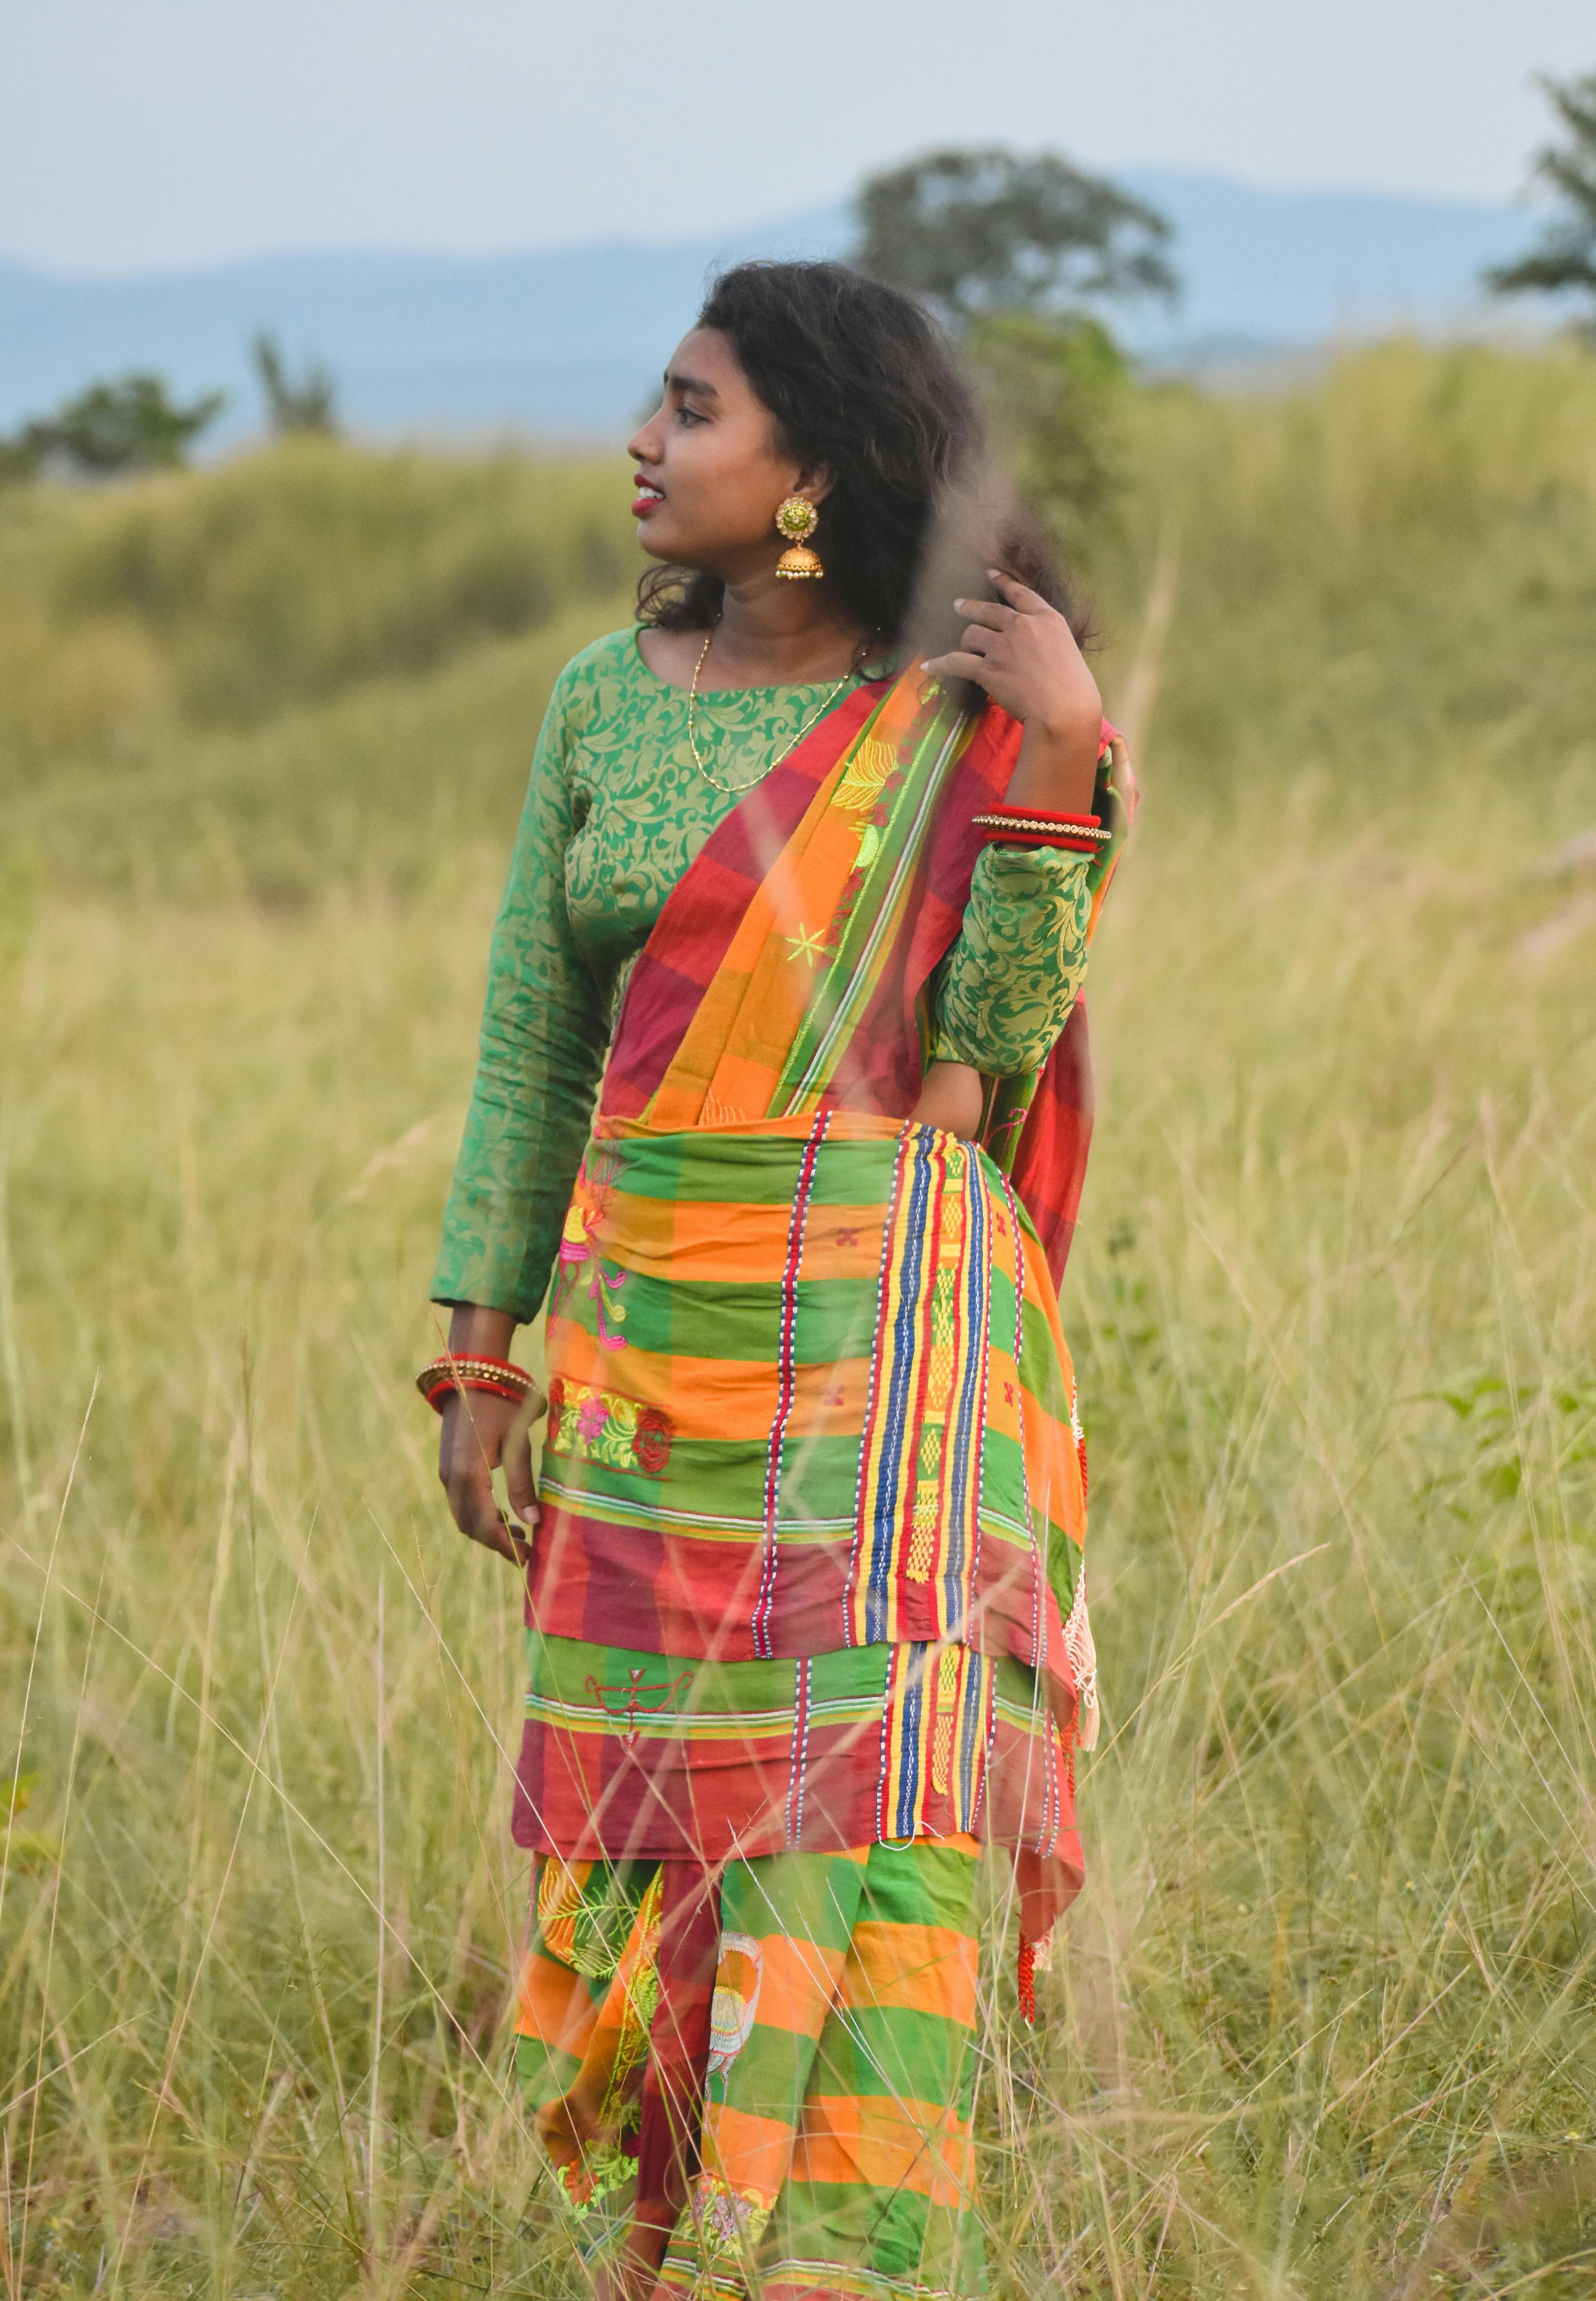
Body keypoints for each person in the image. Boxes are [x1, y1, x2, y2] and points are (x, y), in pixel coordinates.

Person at [425, 261, 1132, 2300]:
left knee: (871, 1814)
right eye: (656, 405)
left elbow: (987, 1061)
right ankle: (673, 2255)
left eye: (694, 410)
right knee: (643, 1834)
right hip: (646, 1352)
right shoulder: (596, 700)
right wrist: (479, 1355)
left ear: (814, 466)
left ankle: (843, 2262)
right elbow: (531, 1045)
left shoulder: (949, 714)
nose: (645, 443)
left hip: (888, 1354)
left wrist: (1061, 759)